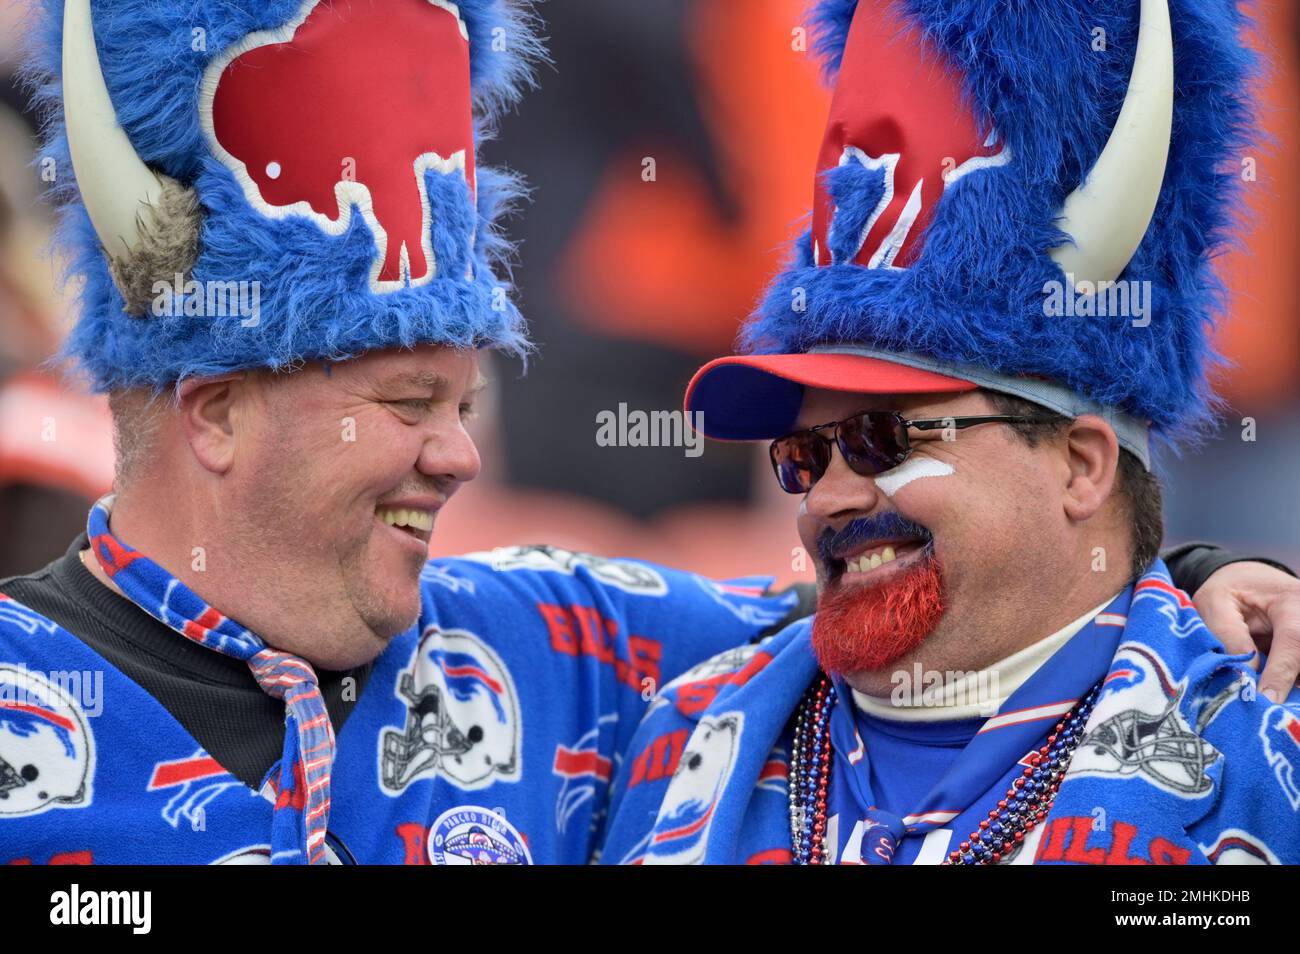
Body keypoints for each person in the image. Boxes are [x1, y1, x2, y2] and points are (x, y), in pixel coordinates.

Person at [0, 0, 1292, 866]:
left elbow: (989, 617)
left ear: (1077, 460)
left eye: (466, 403)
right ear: (213, 410)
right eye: (805, 453)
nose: (458, 455)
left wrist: (1184, 577)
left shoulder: (598, 659)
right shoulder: (603, 671)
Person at [600, 0, 1300, 865]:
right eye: (803, 456)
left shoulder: (1268, 756)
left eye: (882, 441)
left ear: (1083, 466)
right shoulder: (659, 693)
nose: (828, 495)